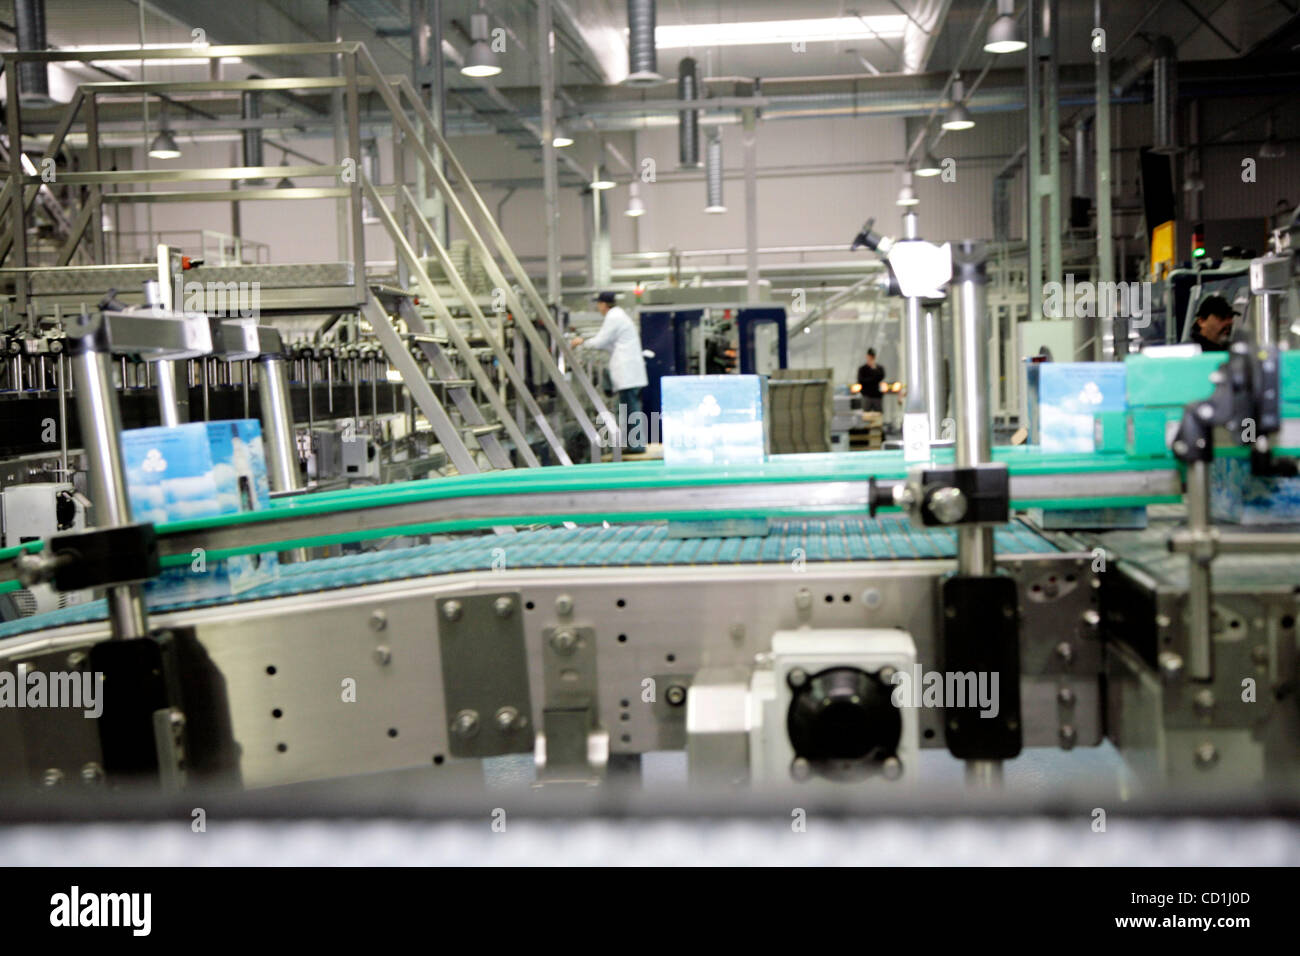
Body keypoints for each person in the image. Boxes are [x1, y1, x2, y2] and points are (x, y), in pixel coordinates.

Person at [571, 291, 649, 454]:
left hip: (627, 373)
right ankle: (634, 444)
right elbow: (608, 343)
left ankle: (636, 445)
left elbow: (601, 341)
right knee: (629, 407)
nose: (598, 307)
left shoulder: (614, 317)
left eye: (598, 304)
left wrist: (582, 342)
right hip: (629, 372)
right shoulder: (618, 316)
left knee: (630, 408)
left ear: (604, 304)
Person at [856, 348, 886, 412]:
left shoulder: (879, 368)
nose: (871, 358)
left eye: (872, 356)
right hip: (866, 395)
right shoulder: (863, 369)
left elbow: (881, 376)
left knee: (878, 413)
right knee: (865, 413)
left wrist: (874, 368)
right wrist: (873, 379)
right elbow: (861, 380)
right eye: (870, 356)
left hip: (877, 395)